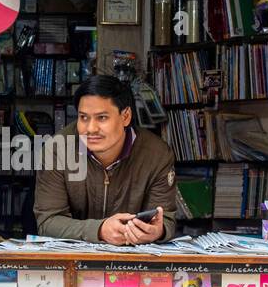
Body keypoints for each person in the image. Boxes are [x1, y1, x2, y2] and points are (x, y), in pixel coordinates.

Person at [34, 75, 177, 246]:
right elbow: (48, 222)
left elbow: (165, 218)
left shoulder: (157, 155)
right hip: (72, 260)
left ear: (126, 117)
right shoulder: (57, 150)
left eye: (102, 118)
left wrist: (157, 231)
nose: (91, 129)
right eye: (83, 117)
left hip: (131, 261)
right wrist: (100, 230)